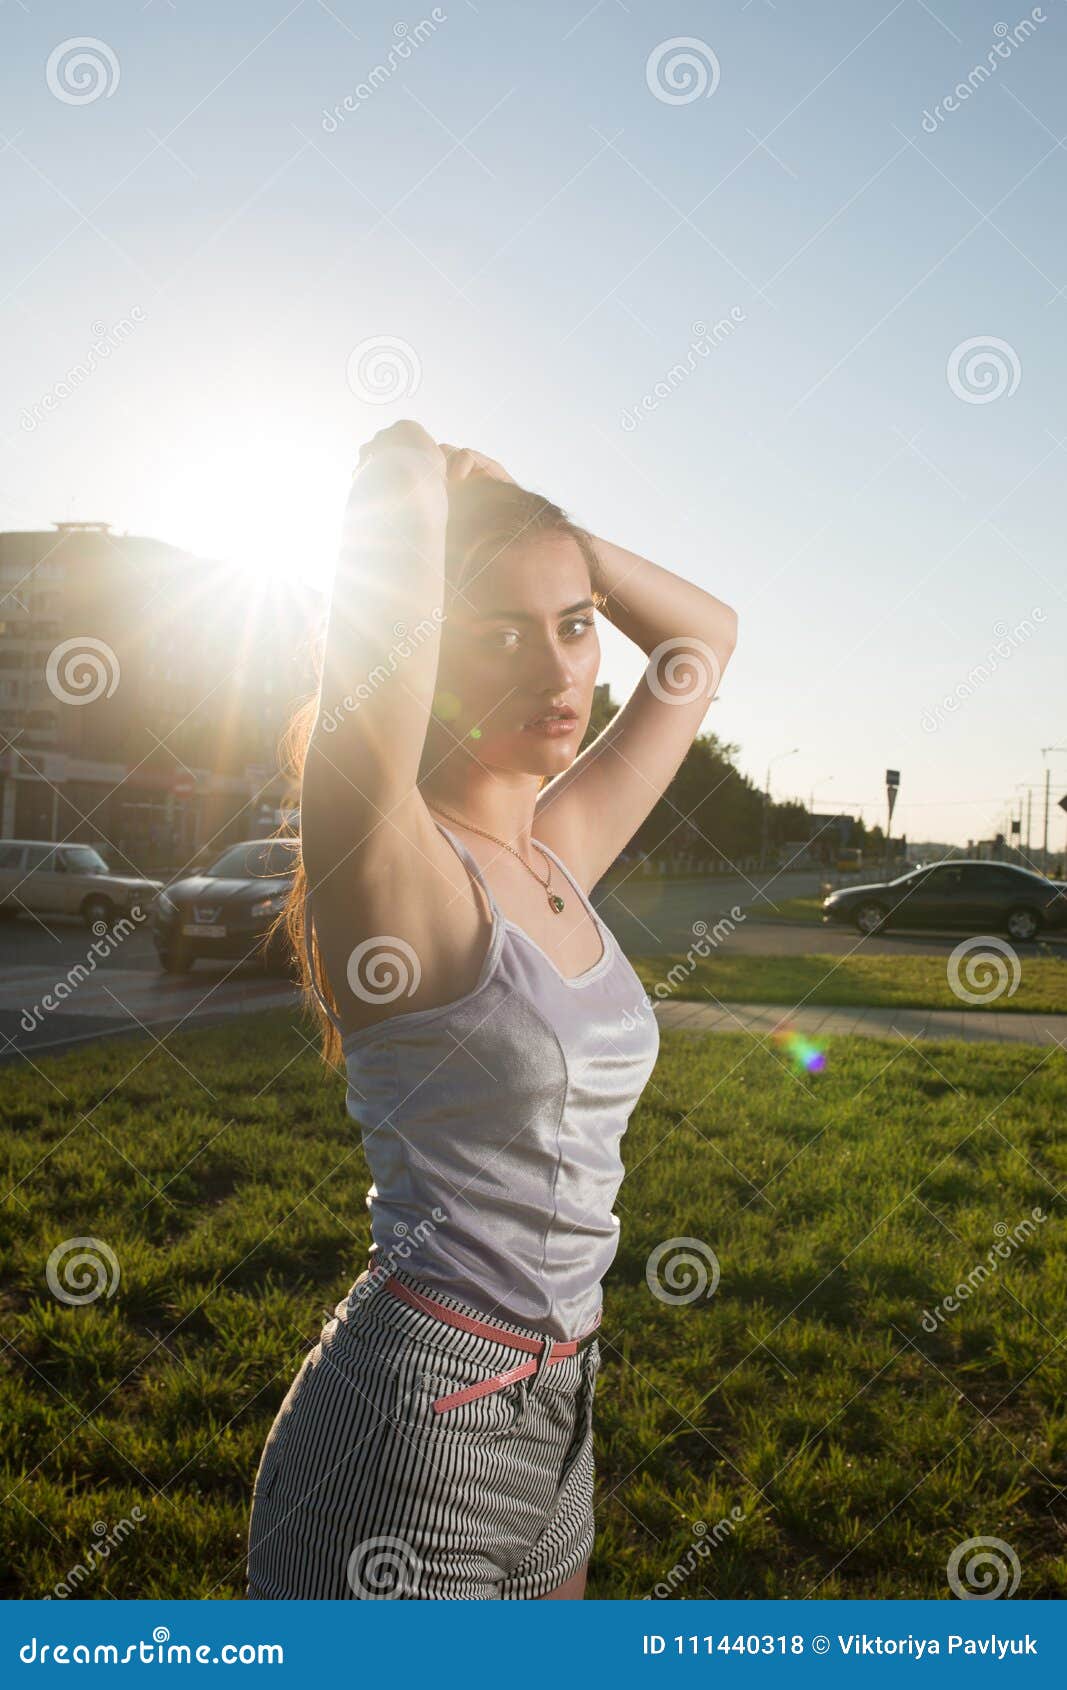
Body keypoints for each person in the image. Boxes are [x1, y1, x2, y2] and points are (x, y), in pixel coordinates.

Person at [246, 419, 738, 1600]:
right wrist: (419, 462)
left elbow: (700, 640)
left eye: (572, 629)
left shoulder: (555, 848)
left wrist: (548, 537)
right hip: (412, 1426)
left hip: (562, 1397)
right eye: (500, 637)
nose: (558, 669)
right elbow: (375, 617)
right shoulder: (398, 866)